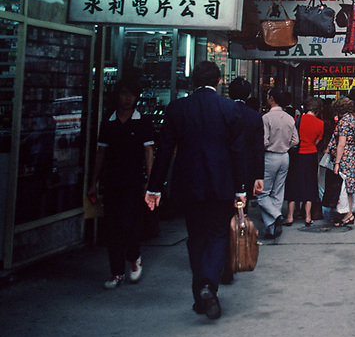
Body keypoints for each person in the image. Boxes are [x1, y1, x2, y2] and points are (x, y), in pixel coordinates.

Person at [144, 62, 249, 321]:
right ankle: (207, 287)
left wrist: (154, 187)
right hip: (221, 184)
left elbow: (165, 150)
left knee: (196, 237)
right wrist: (241, 189)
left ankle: (201, 295)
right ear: (220, 80)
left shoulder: (178, 108)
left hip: (188, 183)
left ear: (193, 81)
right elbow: (238, 154)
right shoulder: (230, 109)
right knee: (217, 234)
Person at [89, 74, 155, 289]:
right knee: (112, 226)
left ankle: (134, 258)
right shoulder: (108, 122)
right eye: (124, 94)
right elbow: (101, 153)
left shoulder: (142, 122)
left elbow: (148, 152)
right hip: (112, 181)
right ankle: (116, 272)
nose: (127, 99)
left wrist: (150, 181)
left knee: (131, 223)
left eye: (131, 95)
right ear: (117, 96)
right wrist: (94, 182)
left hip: (134, 181)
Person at [223, 77, 265, 284]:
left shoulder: (222, 112)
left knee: (223, 214)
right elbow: (258, 149)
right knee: (241, 211)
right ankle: (237, 253)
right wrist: (259, 175)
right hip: (246, 172)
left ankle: (225, 255)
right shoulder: (254, 116)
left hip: (223, 171)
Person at [258, 88, 298, 239]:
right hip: (284, 156)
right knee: (278, 192)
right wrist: (285, 146)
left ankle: (275, 216)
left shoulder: (266, 118)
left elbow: (264, 141)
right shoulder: (289, 118)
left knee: (263, 193)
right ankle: (271, 227)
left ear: (272, 99)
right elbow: (296, 140)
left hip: (270, 156)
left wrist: (269, 146)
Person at [284, 96, 323, 227]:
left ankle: (290, 216)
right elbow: (317, 142)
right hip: (311, 155)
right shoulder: (320, 124)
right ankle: (307, 216)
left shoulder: (297, 120)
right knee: (310, 183)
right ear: (317, 110)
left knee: (293, 182)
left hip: (297, 155)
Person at [326, 95, 355, 228]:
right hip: (351, 155)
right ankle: (348, 213)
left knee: (343, 186)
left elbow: (341, 143)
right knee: (349, 186)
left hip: (344, 157)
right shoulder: (352, 120)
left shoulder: (343, 122)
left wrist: (336, 163)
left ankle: (347, 213)